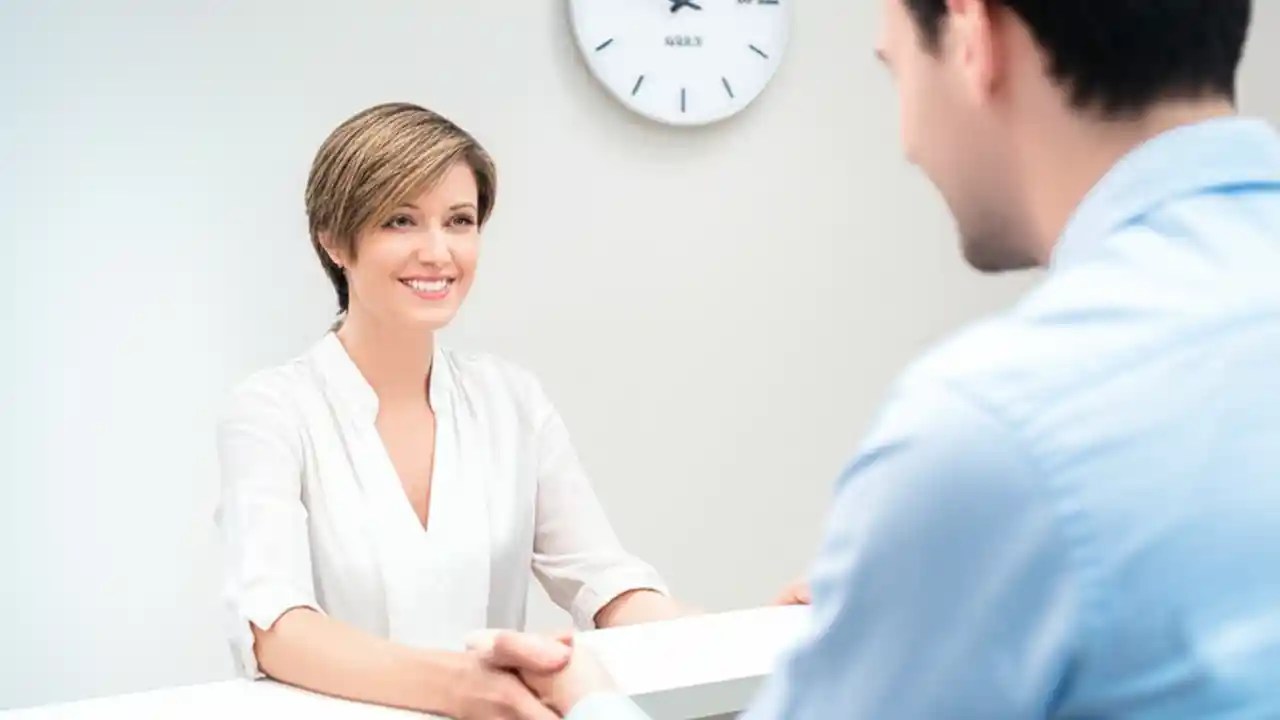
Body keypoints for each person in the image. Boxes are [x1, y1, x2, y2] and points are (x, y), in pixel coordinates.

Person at [481, 0, 1280, 717]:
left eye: (895, 72)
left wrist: (590, 705)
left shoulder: (994, 426)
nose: (906, 143)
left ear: (970, 38)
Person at [215, 103, 805, 719]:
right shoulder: (272, 411)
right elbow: (277, 628)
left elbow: (605, 583)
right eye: (401, 220)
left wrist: (747, 637)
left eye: (460, 221)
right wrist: (459, 687)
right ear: (333, 239)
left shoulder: (510, 401)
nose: (438, 252)